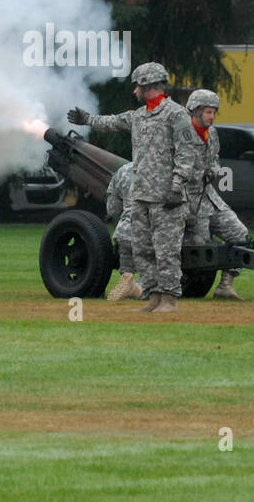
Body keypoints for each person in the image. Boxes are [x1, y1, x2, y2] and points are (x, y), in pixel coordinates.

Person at [69, 62, 199, 314]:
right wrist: (86, 120)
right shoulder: (139, 116)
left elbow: (186, 153)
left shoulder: (176, 115)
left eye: (138, 86)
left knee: (166, 250)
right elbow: (112, 122)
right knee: (142, 249)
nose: (135, 91)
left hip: (166, 197)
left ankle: (169, 299)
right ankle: (153, 296)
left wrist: (177, 184)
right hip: (140, 196)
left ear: (149, 86)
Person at [182, 89, 247, 300]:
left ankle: (226, 285)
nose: (212, 117)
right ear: (196, 110)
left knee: (240, 234)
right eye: (209, 112)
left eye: (214, 112)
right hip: (186, 199)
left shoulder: (213, 133)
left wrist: (215, 170)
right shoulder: (179, 134)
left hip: (208, 196)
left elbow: (214, 159)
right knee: (199, 247)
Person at [104, 161, 142, 300]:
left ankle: (129, 282)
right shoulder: (164, 169)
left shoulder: (123, 170)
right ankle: (139, 287)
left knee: (127, 270)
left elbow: (113, 210)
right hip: (156, 233)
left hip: (126, 232)